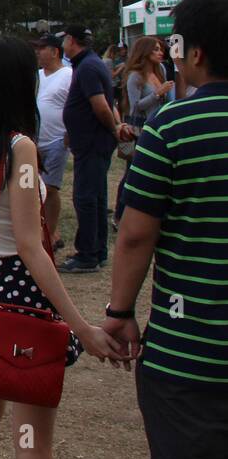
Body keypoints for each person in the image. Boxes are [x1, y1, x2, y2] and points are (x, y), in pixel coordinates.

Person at [0, 35, 120, 459]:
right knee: (31, 440)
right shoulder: (18, 147)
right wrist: (83, 327)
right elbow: (28, 246)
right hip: (20, 295)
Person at [105, 0, 228, 459]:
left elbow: (136, 236)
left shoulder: (172, 127)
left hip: (190, 352)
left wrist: (120, 312)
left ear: (195, 53)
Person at [61, 25, 129, 273]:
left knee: (86, 198)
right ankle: (97, 251)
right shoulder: (91, 63)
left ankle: (87, 254)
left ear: (70, 40)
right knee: (96, 197)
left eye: (64, 41)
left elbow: (101, 106)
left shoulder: (88, 67)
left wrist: (113, 130)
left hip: (92, 142)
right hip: (91, 141)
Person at [115, 36, 174, 227]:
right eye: (156, 49)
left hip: (160, 127)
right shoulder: (135, 76)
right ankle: (120, 214)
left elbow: (169, 100)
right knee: (132, 173)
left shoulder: (162, 70)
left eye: (161, 49)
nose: (161, 52)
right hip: (140, 130)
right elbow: (135, 107)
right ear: (146, 52)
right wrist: (158, 93)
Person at [34, 34, 72, 254]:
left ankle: (51, 231)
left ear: (55, 51)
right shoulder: (37, 76)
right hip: (36, 141)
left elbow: (73, 104)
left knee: (50, 187)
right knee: (35, 189)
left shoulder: (68, 75)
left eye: (41, 48)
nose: (38, 52)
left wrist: (69, 133)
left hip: (58, 139)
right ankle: (42, 229)